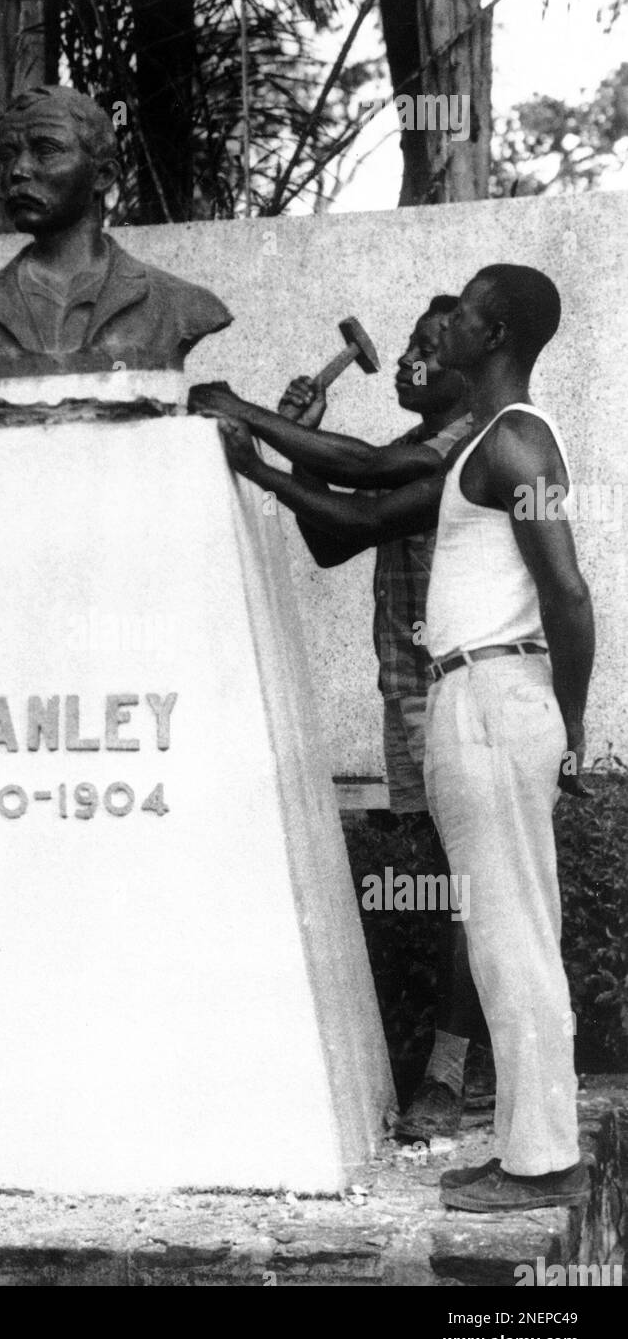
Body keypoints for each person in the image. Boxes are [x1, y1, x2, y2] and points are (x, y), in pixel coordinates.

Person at [201, 264, 594, 1212]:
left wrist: (569, 725)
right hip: (475, 698)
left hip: (498, 694)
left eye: (455, 312)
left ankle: (544, 1165)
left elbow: (569, 594)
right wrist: (256, 460)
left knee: (511, 937)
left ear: (493, 334)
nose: (437, 326)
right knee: (504, 935)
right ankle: (524, 1154)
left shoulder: (517, 444)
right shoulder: (477, 457)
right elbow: (359, 518)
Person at [194, 299, 492, 1142]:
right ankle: (465, 1064)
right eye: (403, 347)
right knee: (452, 888)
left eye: (426, 352)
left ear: (465, 373)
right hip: (411, 689)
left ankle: (450, 1073)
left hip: (457, 691)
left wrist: (252, 430)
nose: (405, 361)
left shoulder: (465, 446)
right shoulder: (412, 454)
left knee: (469, 892)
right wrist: (293, 457)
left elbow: (360, 486)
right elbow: (337, 535)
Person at [0, 85, 231, 376]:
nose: (17, 170)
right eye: (7, 155)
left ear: (103, 175)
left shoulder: (180, 305)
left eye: (45, 150)